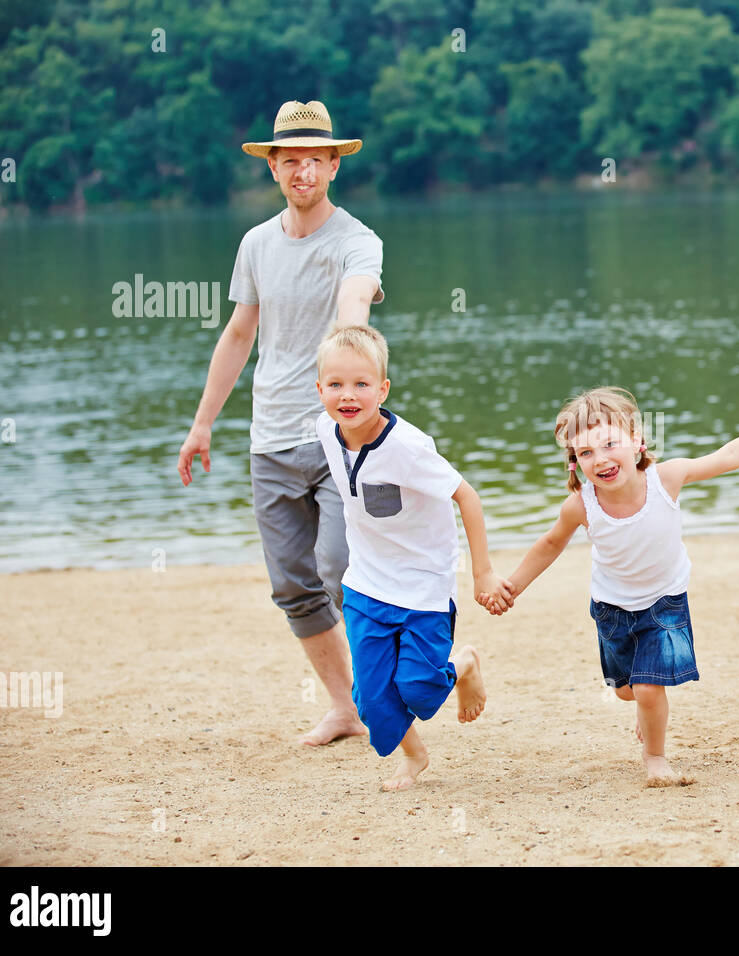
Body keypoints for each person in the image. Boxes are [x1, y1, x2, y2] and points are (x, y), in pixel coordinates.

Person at [177, 101, 384, 746]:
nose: (302, 171)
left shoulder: (356, 240)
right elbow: (240, 332)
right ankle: (345, 707)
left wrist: (350, 343)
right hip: (267, 438)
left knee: (340, 567)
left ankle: (408, 675)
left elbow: (354, 299)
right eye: (289, 159)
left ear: (332, 166)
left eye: (314, 160)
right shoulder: (256, 243)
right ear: (273, 167)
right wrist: (202, 423)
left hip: (333, 434)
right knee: (293, 586)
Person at [481, 386, 739, 786]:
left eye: (610, 444)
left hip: (665, 603)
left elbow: (729, 456)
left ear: (637, 442)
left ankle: (655, 758)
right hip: (611, 610)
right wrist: (513, 587)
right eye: (586, 453)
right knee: (626, 690)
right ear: (575, 463)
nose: (601, 459)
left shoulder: (666, 479)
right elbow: (550, 544)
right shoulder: (582, 505)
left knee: (648, 689)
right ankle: (640, 706)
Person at [314, 324, 503, 790]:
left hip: (423, 585)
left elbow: (469, 498)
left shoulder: (409, 448)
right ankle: (413, 755)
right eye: (335, 384)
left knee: (417, 688)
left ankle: (464, 665)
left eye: (361, 384)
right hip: (365, 585)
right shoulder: (324, 428)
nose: (348, 395)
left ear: (383, 389)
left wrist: (483, 574)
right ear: (319, 389)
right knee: (371, 700)